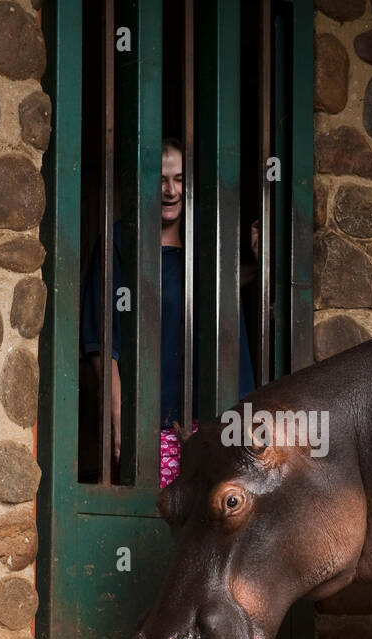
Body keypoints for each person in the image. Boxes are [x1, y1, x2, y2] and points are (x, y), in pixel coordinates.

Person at [80, 138, 256, 487]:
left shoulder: (207, 246)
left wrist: (257, 261)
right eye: (161, 179)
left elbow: (220, 296)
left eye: (179, 179)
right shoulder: (119, 243)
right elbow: (102, 341)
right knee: (160, 527)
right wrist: (120, 421)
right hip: (150, 425)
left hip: (216, 424)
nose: (171, 190)